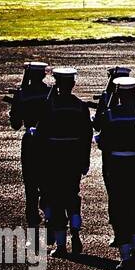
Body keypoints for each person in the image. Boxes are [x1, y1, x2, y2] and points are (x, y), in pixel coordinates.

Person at [97, 75, 135, 270]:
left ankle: (126, 254)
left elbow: (104, 142)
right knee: (133, 205)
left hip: (118, 164)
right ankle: (134, 247)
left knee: (119, 208)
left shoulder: (112, 114)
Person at [40, 68, 92, 257]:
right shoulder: (80, 106)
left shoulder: (51, 105)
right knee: (72, 195)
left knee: (56, 199)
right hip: (74, 157)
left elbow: (41, 134)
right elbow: (87, 136)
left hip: (54, 157)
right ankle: (76, 232)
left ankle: (61, 245)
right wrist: (85, 159)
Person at [8, 62, 51, 238]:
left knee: (31, 186)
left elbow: (16, 124)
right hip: (49, 142)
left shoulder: (22, 94)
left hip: (31, 142)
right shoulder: (50, 93)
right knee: (49, 184)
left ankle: (33, 229)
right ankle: (50, 221)